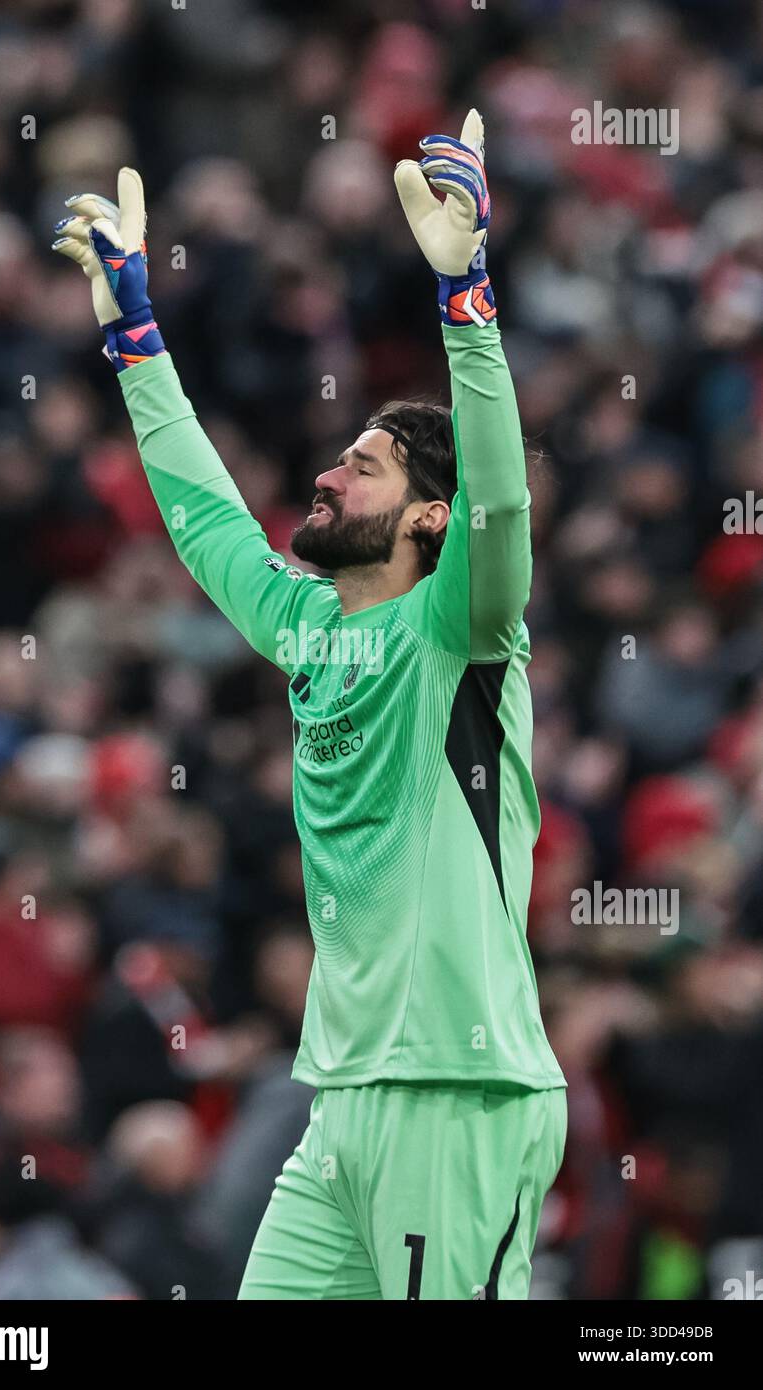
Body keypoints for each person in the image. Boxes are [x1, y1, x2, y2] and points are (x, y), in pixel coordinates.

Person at [52, 109, 566, 1301]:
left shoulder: (458, 628)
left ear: (428, 518)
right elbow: (204, 520)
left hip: (460, 1090)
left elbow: (500, 504)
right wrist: (134, 339)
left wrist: (465, 300)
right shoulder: (305, 626)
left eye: (363, 467)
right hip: (339, 1098)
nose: (327, 474)